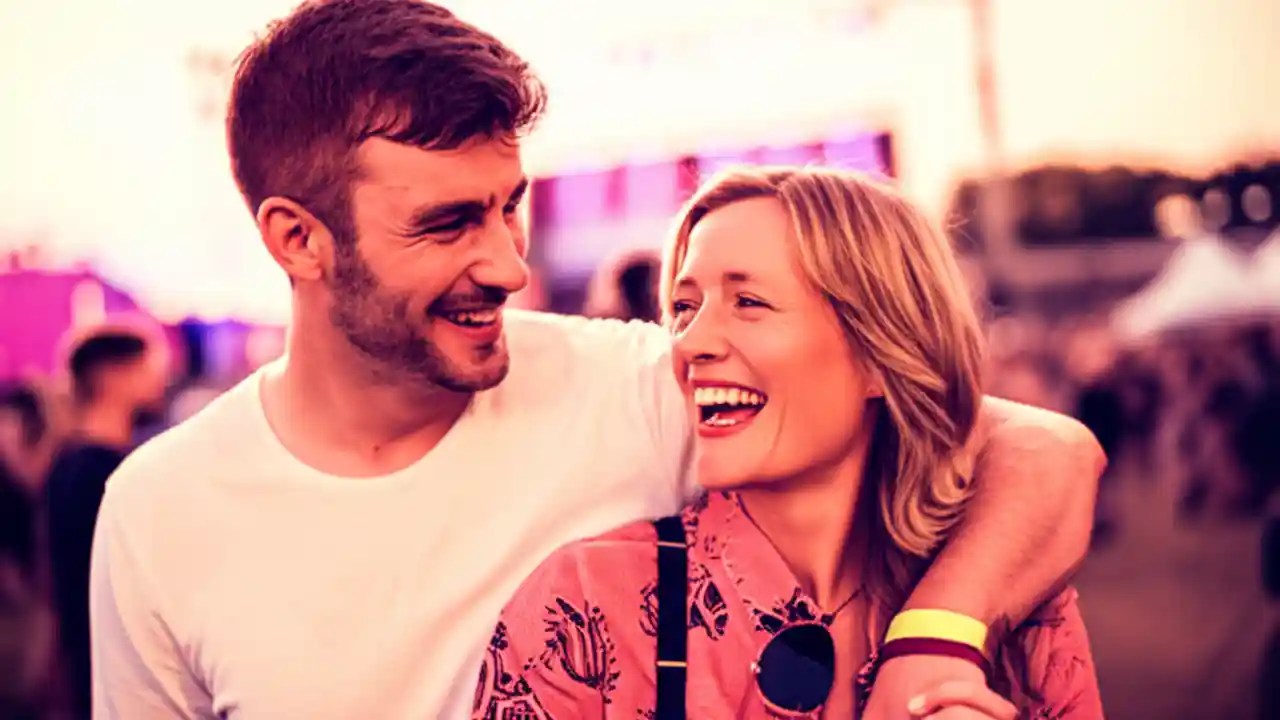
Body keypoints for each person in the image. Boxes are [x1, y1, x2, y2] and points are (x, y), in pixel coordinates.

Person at [90, 2, 1103, 718]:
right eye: (446, 225)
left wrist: (935, 640)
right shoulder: (161, 510)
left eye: (508, 205)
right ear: (296, 240)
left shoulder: (626, 389)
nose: (506, 262)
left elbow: (1044, 453)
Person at [475, 167, 1102, 719]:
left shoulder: (1015, 606)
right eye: (685, 307)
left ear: (881, 354)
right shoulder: (587, 605)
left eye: (749, 303)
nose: (690, 343)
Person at [45, 325, 168, 718]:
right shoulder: (95, 469)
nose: (160, 375)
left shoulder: (69, 459)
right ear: (112, 376)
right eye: (146, 366)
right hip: (106, 650)